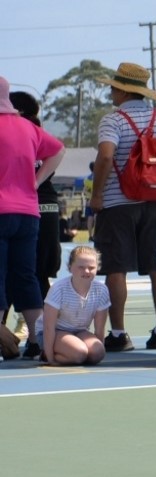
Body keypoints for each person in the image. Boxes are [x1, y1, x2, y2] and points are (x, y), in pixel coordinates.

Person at [93, 62, 156, 353]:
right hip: (155, 203)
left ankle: (119, 333)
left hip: (118, 204)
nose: (111, 92)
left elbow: (105, 156)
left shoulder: (112, 120)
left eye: (114, 87)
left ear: (124, 91)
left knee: (116, 268)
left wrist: (98, 194)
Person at [0, 75, 59, 361]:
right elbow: (58, 149)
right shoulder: (27, 126)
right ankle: (38, 341)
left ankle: (1, 340)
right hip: (27, 211)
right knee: (27, 277)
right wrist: (35, 181)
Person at [39, 246, 110, 366]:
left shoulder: (101, 290)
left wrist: (98, 352)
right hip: (54, 331)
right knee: (79, 353)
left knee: (97, 353)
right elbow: (48, 327)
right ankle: (45, 354)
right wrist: (50, 358)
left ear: (97, 268)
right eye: (81, 267)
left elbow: (99, 329)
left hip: (80, 331)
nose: (86, 271)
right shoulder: (59, 289)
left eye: (91, 268)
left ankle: (73, 352)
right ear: (70, 267)